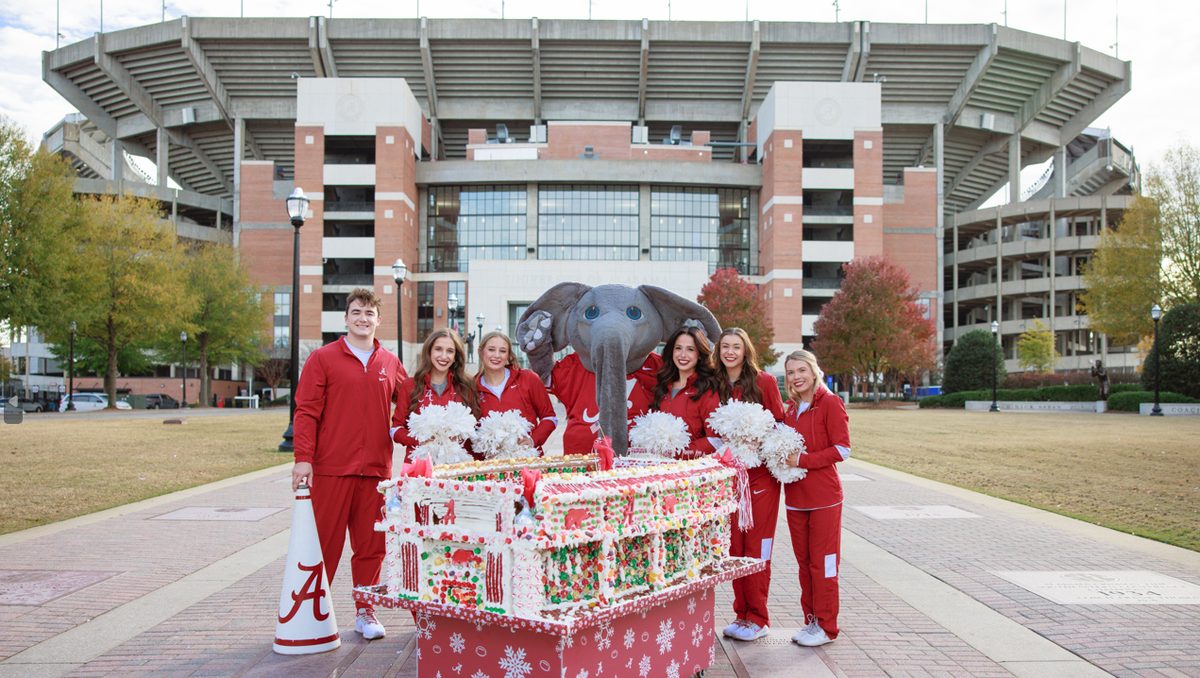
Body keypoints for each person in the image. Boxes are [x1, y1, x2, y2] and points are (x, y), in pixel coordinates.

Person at [290, 288, 407, 641]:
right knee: (324, 544)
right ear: (346, 318)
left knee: (371, 546)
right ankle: (314, 610)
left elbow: (411, 406)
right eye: (356, 312)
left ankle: (364, 610)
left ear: (378, 320)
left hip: (375, 471)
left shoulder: (390, 363)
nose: (362, 319)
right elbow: (307, 411)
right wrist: (303, 459)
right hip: (330, 468)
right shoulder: (323, 359)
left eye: (369, 313)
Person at [717, 328, 787, 642]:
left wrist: (756, 441)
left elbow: (780, 424)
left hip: (760, 479)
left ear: (746, 351)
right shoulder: (714, 384)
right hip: (730, 479)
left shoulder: (765, 382)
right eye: (725, 346)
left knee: (757, 548)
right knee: (735, 548)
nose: (730, 352)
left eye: (737, 347)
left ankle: (758, 617)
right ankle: (741, 614)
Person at [780, 349, 850, 648]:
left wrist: (803, 460)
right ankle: (810, 621)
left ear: (813, 371)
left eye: (801, 371)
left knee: (825, 564)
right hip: (796, 499)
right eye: (791, 373)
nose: (796, 377)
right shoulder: (789, 410)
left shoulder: (830, 402)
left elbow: (842, 449)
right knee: (805, 563)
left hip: (825, 499)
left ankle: (827, 626)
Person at [549, 351, 662, 456]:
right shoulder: (578, 361)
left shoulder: (655, 364)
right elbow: (546, 374)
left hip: (636, 460)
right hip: (582, 459)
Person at [391, 328, 481, 459]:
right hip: (420, 468)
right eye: (438, 349)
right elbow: (396, 430)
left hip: (455, 469)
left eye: (450, 351)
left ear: (456, 356)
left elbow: (475, 430)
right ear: (429, 351)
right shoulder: (410, 385)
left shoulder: (466, 386)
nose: (444, 356)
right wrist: (420, 441)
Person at [475, 331, 558, 454]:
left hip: (528, 462)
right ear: (480, 352)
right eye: (491, 349)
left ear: (508, 355)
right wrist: (483, 450)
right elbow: (469, 434)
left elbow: (550, 418)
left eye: (503, 351)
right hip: (491, 466)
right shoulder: (470, 388)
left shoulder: (528, 378)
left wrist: (533, 439)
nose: (497, 355)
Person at [650, 326, 722, 456]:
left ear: (700, 354)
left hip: (692, 472)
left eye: (690, 349)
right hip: (660, 469)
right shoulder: (662, 386)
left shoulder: (708, 390)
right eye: (678, 348)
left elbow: (715, 440)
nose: (683, 355)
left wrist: (679, 453)